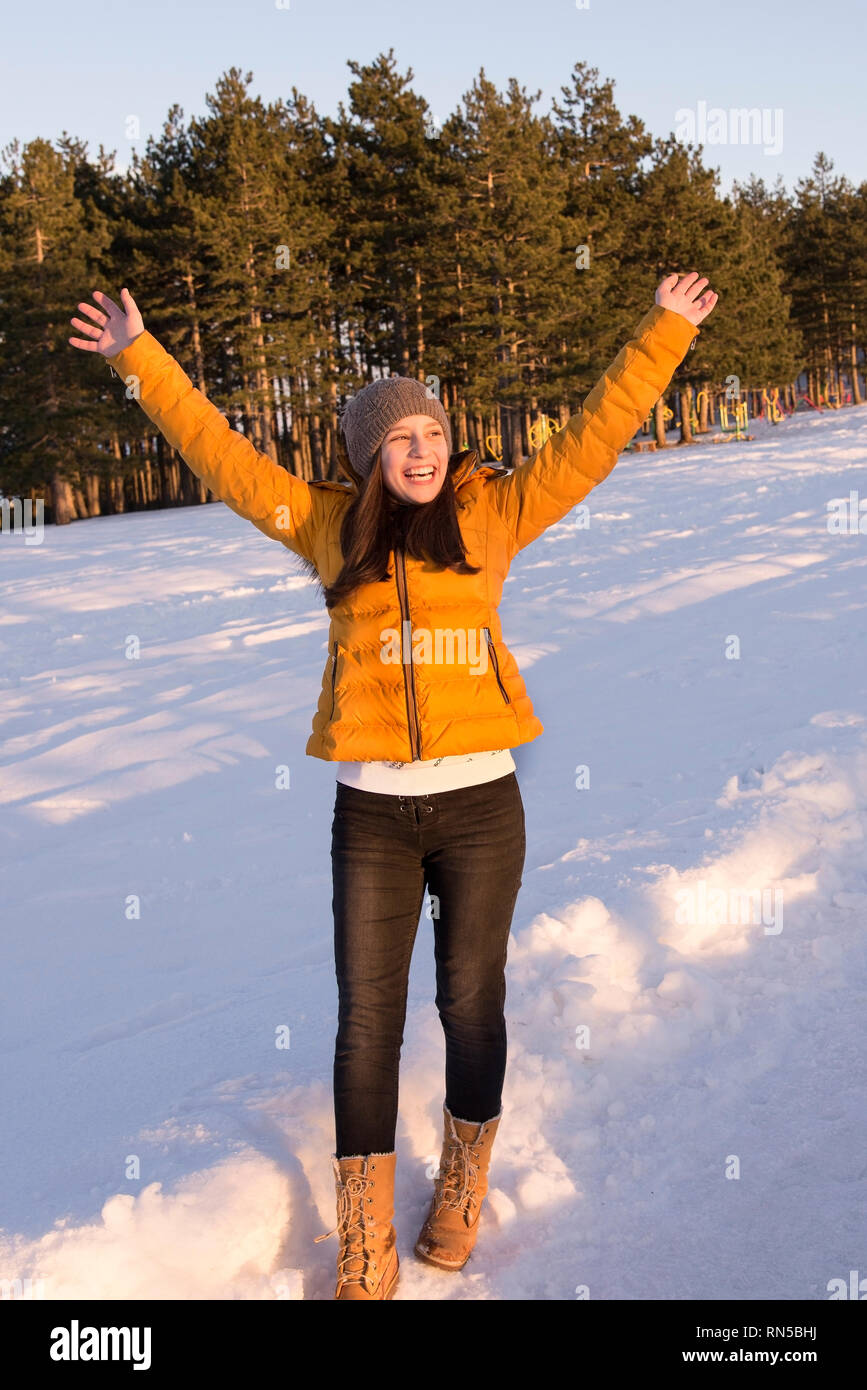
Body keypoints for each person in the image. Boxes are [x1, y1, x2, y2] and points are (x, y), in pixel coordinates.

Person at [69, 271, 718, 1300]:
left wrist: (664, 334)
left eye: (432, 435)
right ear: (370, 458)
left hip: (481, 807)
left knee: (469, 1003)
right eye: (400, 441)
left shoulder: (493, 516)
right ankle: (363, 1236)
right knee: (366, 1022)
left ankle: (462, 1182)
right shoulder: (330, 529)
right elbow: (225, 457)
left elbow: (593, 438)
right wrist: (137, 357)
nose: (422, 452)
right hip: (370, 812)